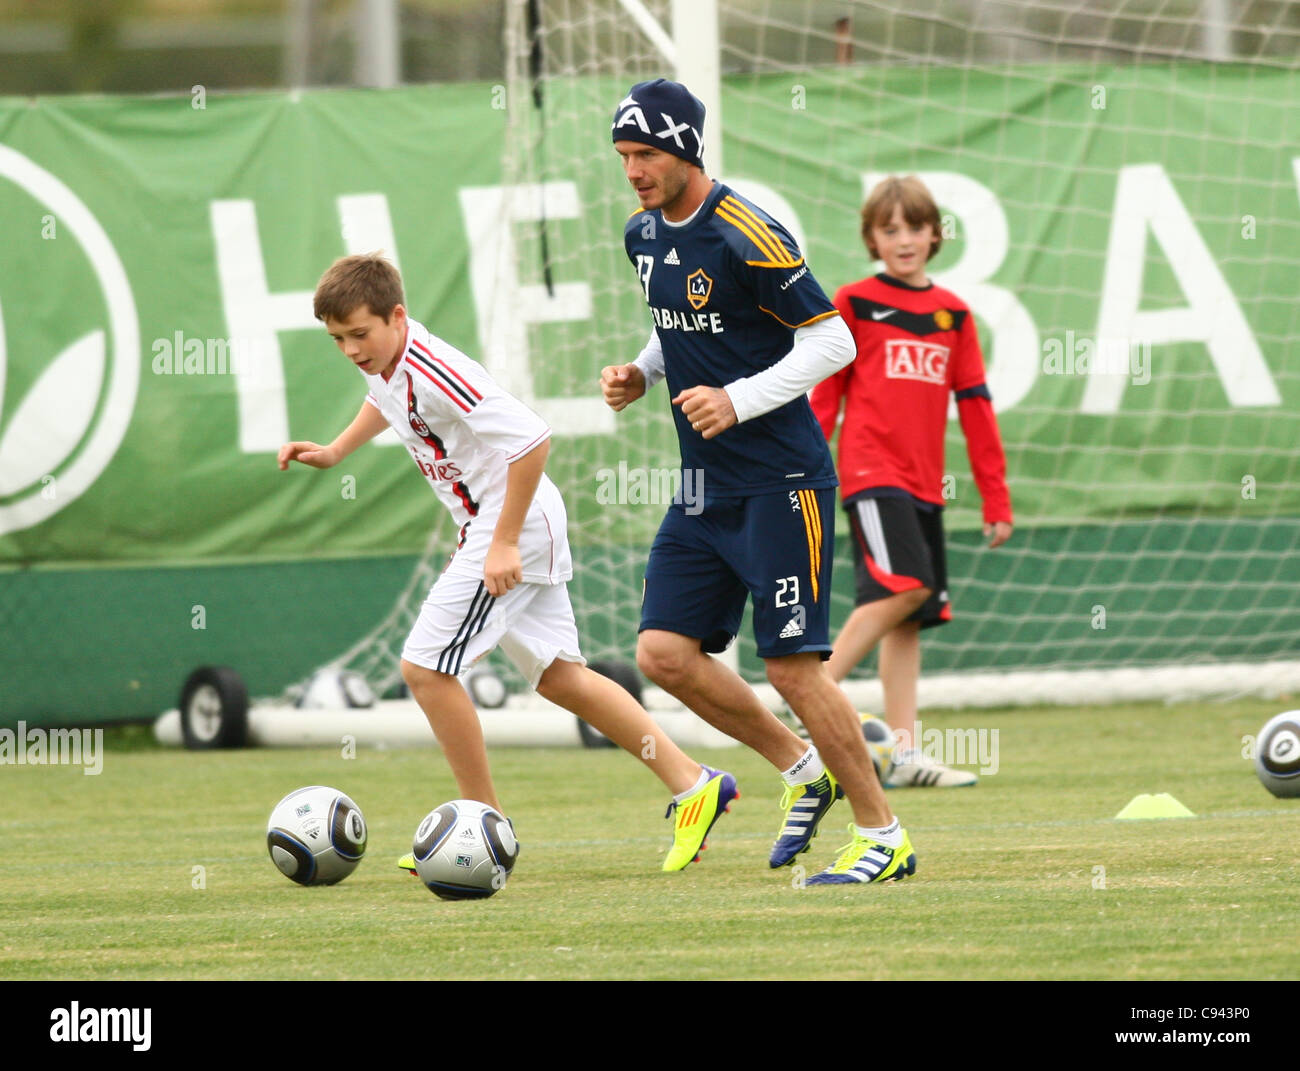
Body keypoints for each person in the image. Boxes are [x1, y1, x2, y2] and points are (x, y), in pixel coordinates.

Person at [279, 252, 736, 876]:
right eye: (337, 339)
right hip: (501, 526)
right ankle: (693, 784)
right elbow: (383, 401)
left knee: (424, 669)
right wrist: (334, 451)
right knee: (559, 678)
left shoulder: (434, 368)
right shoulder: (386, 362)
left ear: (397, 317)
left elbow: (531, 439)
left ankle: (480, 824)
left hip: (513, 525)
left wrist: (502, 542)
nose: (352, 349)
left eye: (359, 334)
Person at [601, 79, 915, 884]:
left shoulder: (749, 233)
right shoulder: (641, 235)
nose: (632, 170)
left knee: (791, 667)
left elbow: (832, 342)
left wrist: (736, 400)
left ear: (684, 149)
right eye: (624, 155)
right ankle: (802, 768)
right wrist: (643, 370)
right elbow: (681, 323)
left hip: (781, 480)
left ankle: (883, 834)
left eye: (645, 154)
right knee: (663, 653)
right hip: (704, 485)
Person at [810, 175, 1013, 788]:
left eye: (916, 227)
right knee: (905, 585)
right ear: (871, 237)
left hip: (926, 484)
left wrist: (995, 495)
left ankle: (901, 755)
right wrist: (807, 472)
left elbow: (975, 405)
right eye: (889, 229)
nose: (904, 239)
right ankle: (808, 697)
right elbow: (826, 395)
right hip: (871, 473)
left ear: (935, 234)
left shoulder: (954, 315)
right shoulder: (853, 302)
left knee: (909, 611)